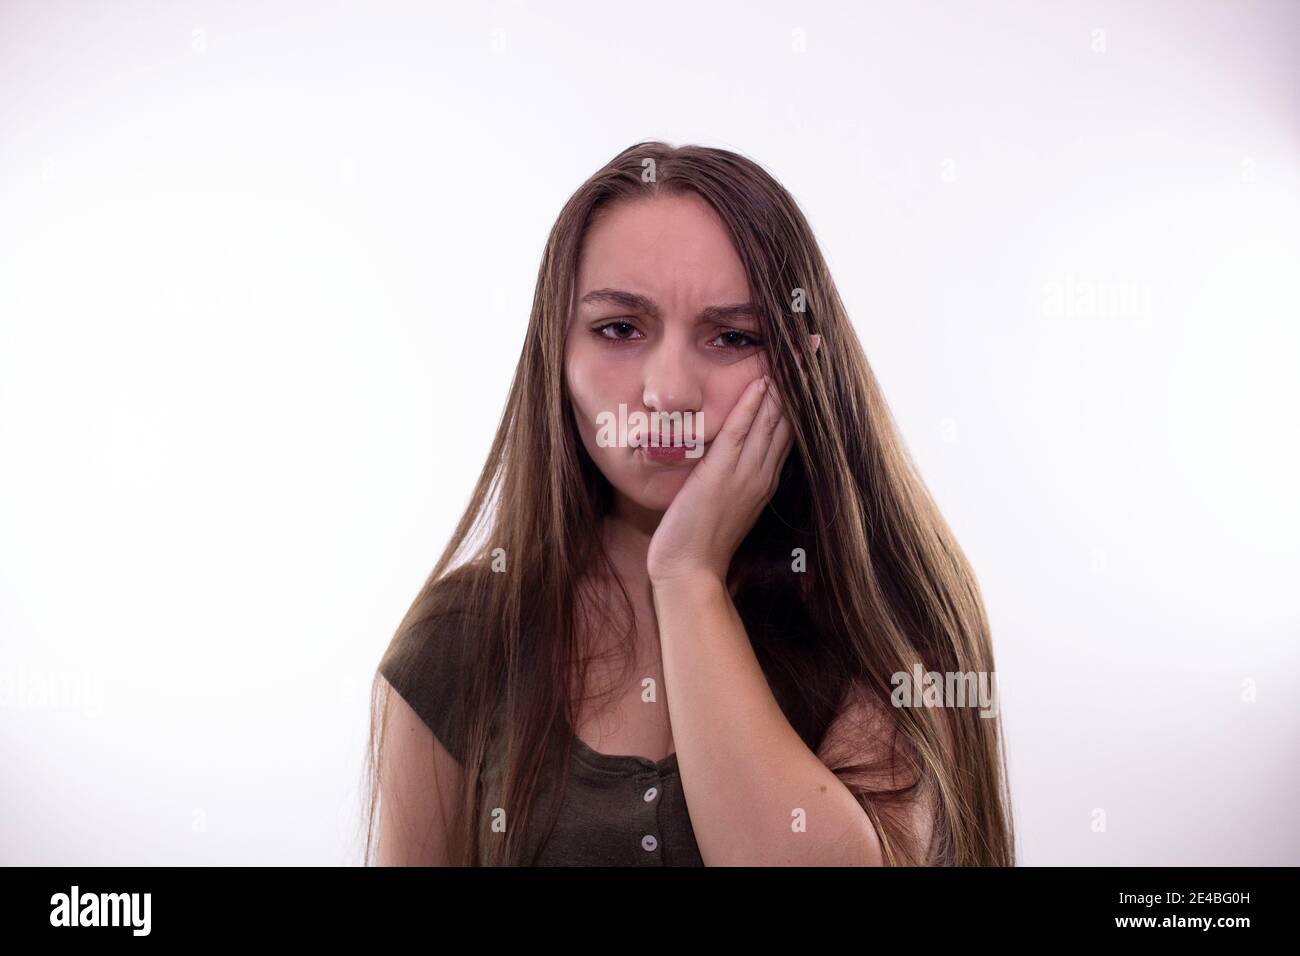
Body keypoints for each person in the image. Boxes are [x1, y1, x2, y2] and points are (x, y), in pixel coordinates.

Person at [363, 141, 1015, 866]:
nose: (668, 393)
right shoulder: (458, 643)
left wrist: (689, 577)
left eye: (733, 337)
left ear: (803, 364)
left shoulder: (885, 611)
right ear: (556, 353)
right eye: (618, 329)